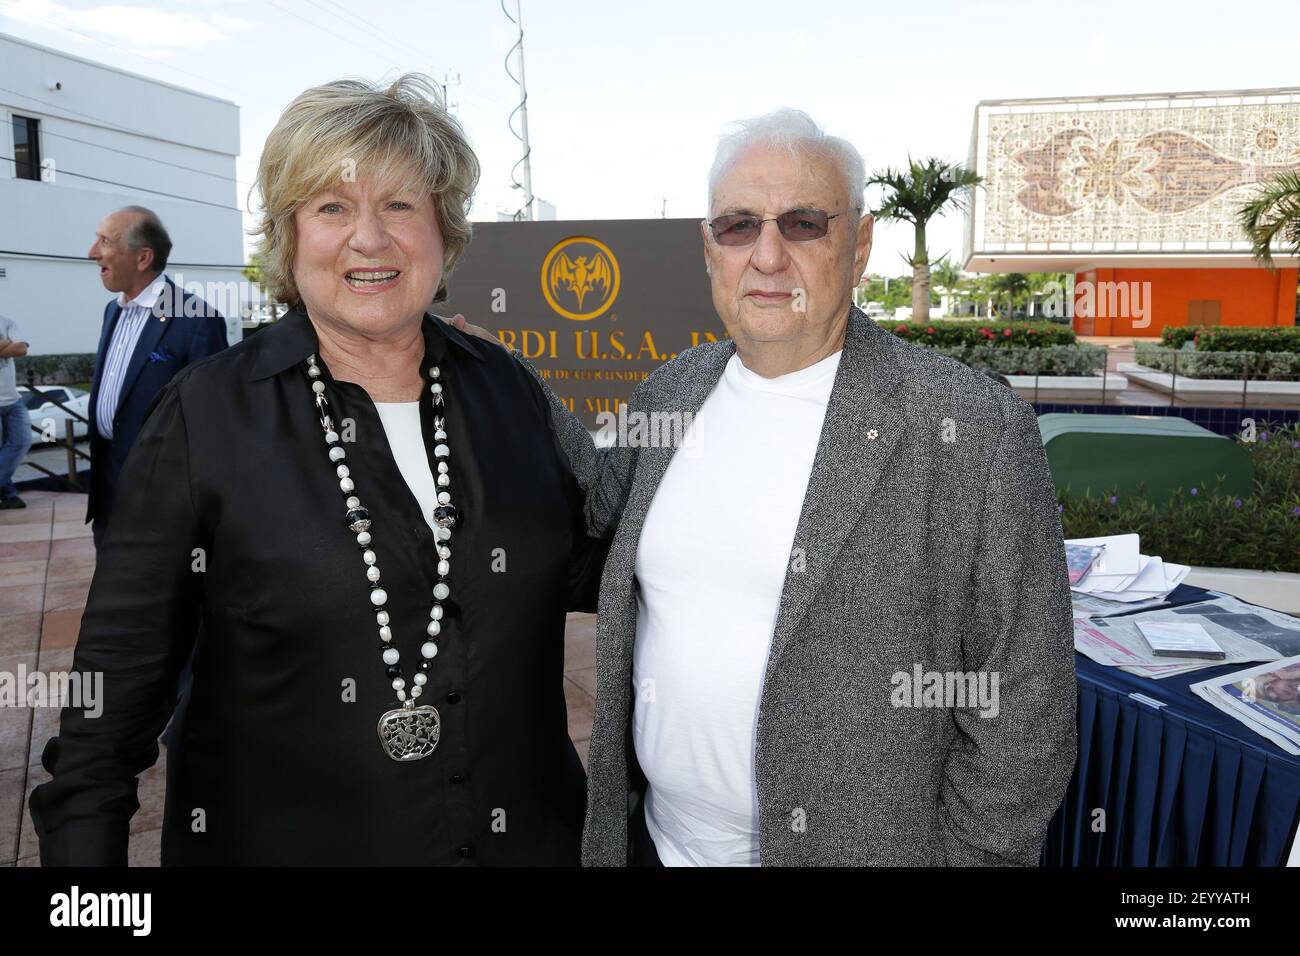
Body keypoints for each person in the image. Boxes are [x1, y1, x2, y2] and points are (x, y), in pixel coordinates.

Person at [30, 75, 604, 866]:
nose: (369, 239)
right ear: (289, 236)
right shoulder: (207, 418)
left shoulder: (509, 390)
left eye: (400, 204)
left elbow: (599, 565)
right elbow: (107, 718)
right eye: (332, 208)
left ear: (445, 230)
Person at [537, 109, 1076, 866]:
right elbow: (586, 526)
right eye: (738, 226)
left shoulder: (969, 427)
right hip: (658, 848)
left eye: (802, 224)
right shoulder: (671, 393)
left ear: (858, 246)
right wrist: (491, 380)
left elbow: (1026, 706)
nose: (767, 256)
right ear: (708, 248)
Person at [85, 205, 229, 548]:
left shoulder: (196, 320)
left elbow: (212, 423)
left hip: (163, 505)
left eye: (105, 241)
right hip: (107, 496)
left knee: (163, 598)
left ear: (142, 257)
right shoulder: (112, 311)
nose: (92, 253)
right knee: (111, 593)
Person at [0, 313, 32, 509]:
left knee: (22, 441)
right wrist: (5, 344)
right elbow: (13, 346)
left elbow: (21, 348)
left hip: (13, 399)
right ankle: (9, 495)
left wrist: (12, 346)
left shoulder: (7, 321)